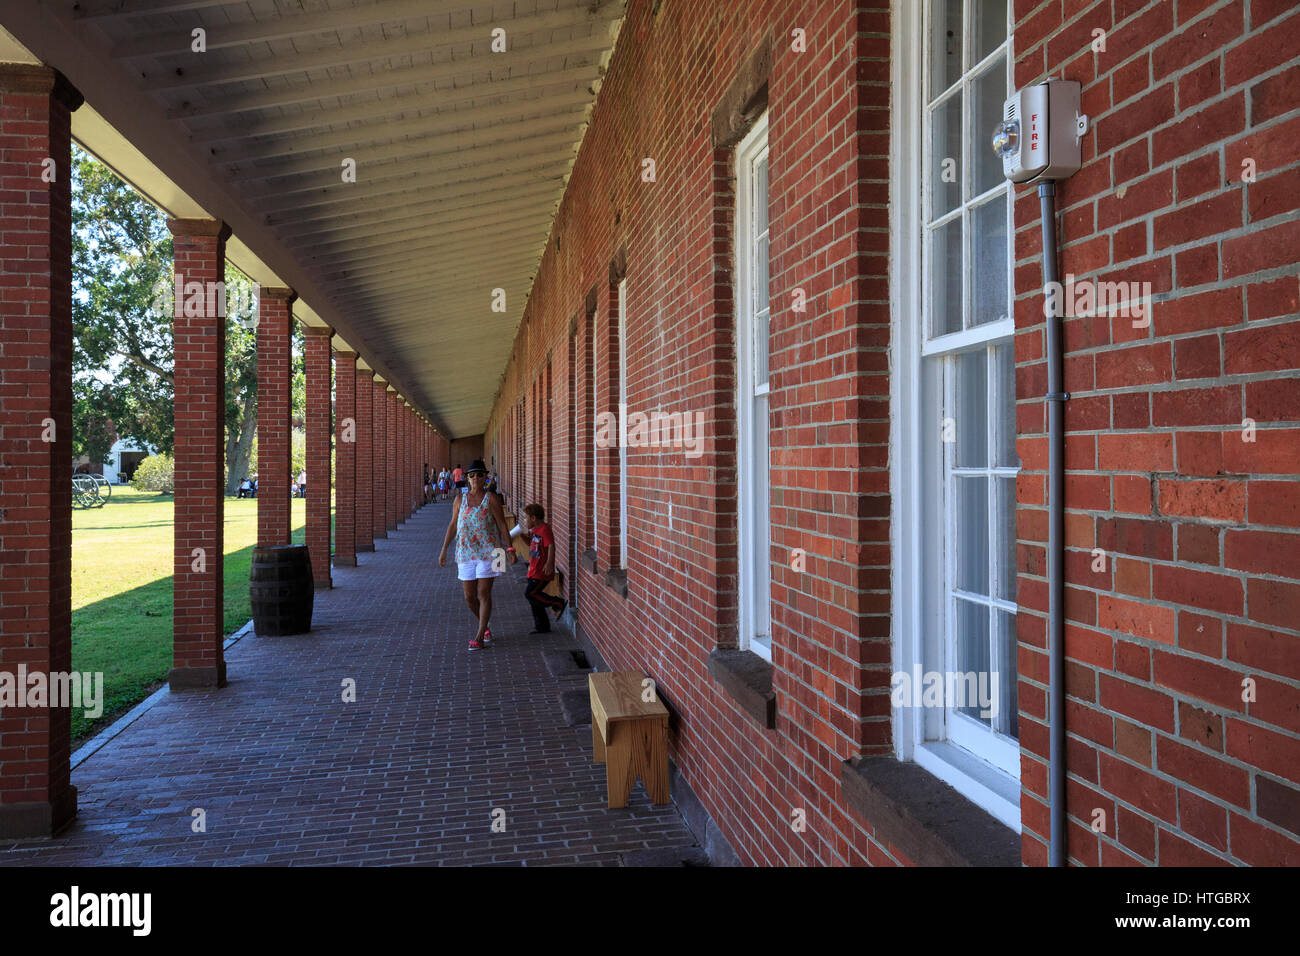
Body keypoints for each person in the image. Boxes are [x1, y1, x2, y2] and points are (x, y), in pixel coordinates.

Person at [438, 459, 517, 650]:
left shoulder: (491, 499)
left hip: (491, 551)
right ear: (467, 478)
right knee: (469, 597)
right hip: (465, 553)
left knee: (484, 593)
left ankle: (480, 635)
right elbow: (452, 526)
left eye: (480, 475)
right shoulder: (459, 500)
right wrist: (443, 550)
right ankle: (485, 624)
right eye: (472, 475)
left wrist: (510, 549)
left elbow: (502, 525)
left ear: (485, 478)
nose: (475, 478)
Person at [521, 504, 567, 634]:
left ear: (533, 518)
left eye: (526, 518)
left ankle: (557, 603)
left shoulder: (545, 530)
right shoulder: (534, 531)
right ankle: (542, 625)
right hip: (533, 570)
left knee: (530, 594)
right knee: (533, 600)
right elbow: (530, 543)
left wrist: (549, 563)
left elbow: (551, 546)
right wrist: (520, 535)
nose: (525, 520)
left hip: (542, 570)